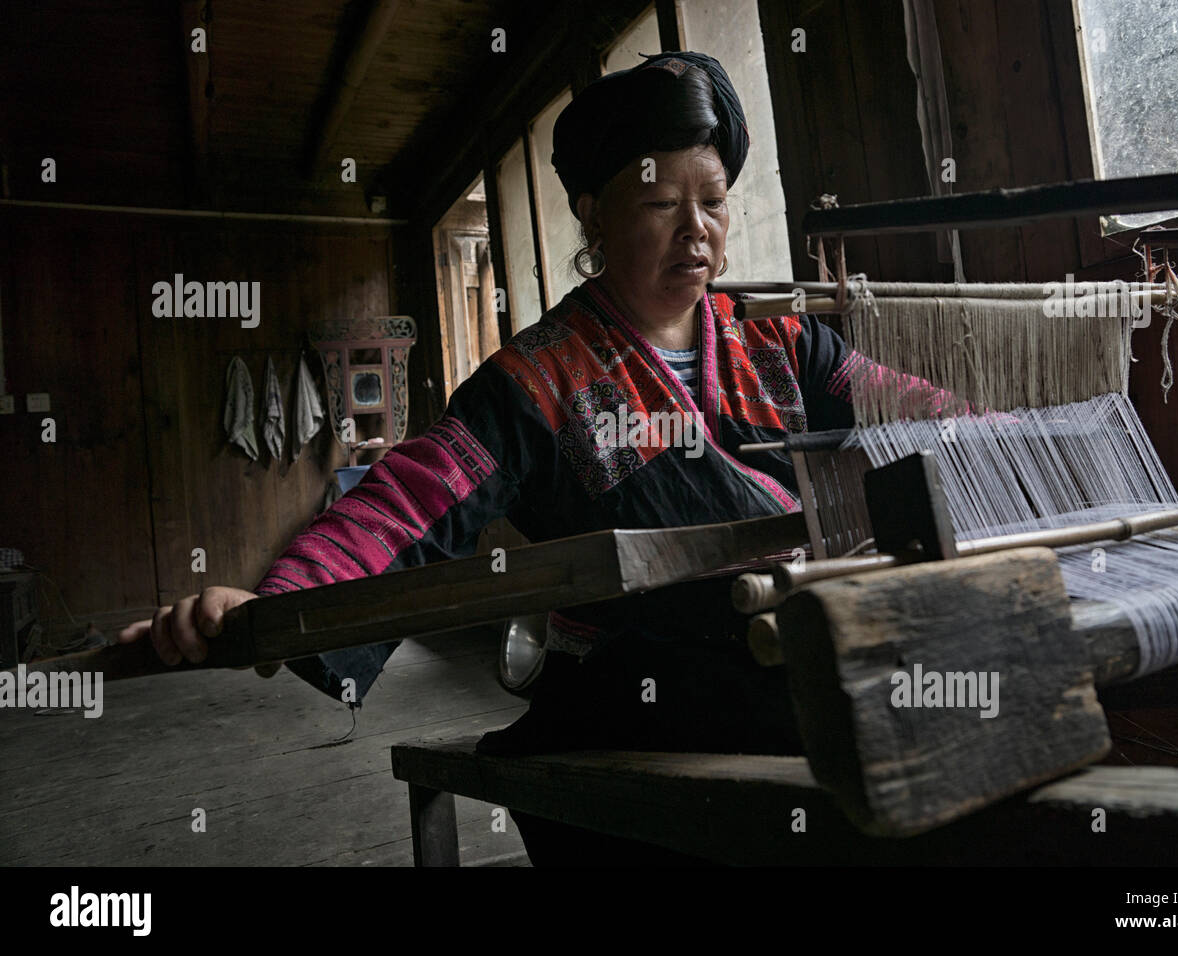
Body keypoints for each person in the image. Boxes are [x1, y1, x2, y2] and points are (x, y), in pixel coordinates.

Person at [120, 51, 952, 865]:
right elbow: (409, 501)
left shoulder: (785, 340)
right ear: (594, 213)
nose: (697, 230)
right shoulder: (539, 377)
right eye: (662, 202)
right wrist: (276, 605)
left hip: (789, 650)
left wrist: (1047, 433)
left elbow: (921, 415)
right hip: (639, 702)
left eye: (716, 202)